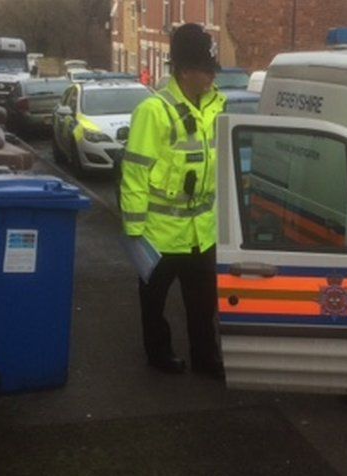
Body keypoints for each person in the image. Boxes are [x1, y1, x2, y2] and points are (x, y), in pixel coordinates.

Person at [119, 23, 226, 377]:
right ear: (184, 71)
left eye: (212, 69)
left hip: (201, 233)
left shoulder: (217, 106)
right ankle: (159, 354)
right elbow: (135, 172)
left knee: (203, 305)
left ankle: (205, 358)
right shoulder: (154, 111)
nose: (212, 76)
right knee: (154, 303)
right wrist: (135, 232)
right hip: (158, 234)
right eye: (205, 69)